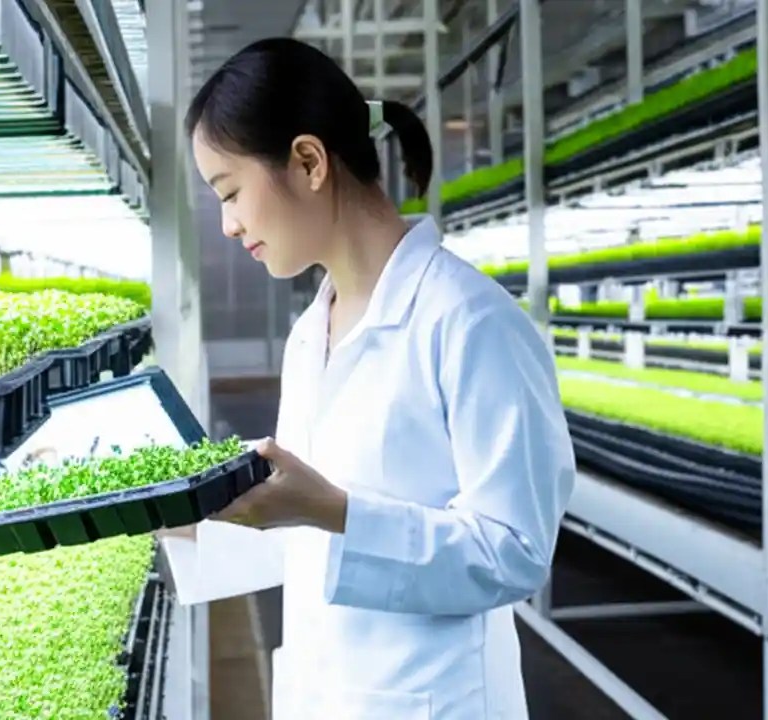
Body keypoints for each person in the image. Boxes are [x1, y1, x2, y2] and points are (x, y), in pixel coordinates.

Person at [172, 36, 576, 720]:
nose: (228, 224)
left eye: (231, 191)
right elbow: (309, 545)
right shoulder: (311, 335)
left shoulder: (471, 321)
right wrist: (179, 520)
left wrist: (331, 509)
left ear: (307, 161)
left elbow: (517, 551)